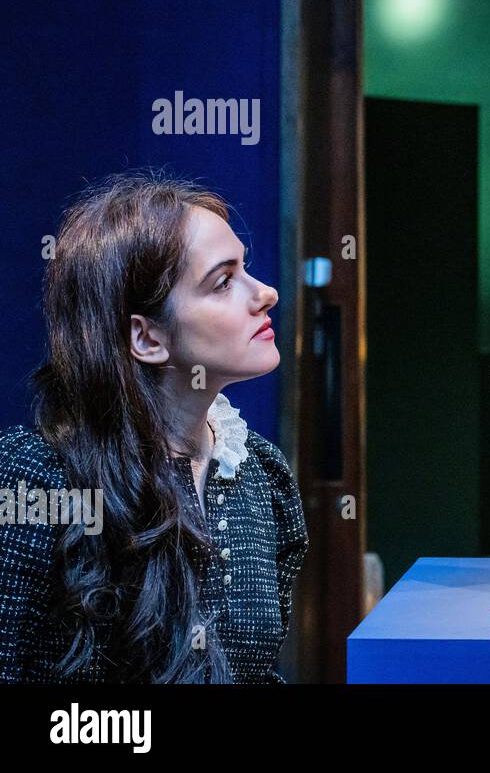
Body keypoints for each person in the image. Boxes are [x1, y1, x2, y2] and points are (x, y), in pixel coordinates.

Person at [0, 171, 308, 683]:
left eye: (246, 270)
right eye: (223, 281)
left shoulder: (264, 476)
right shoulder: (34, 480)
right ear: (146, 339)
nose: (267, 293)